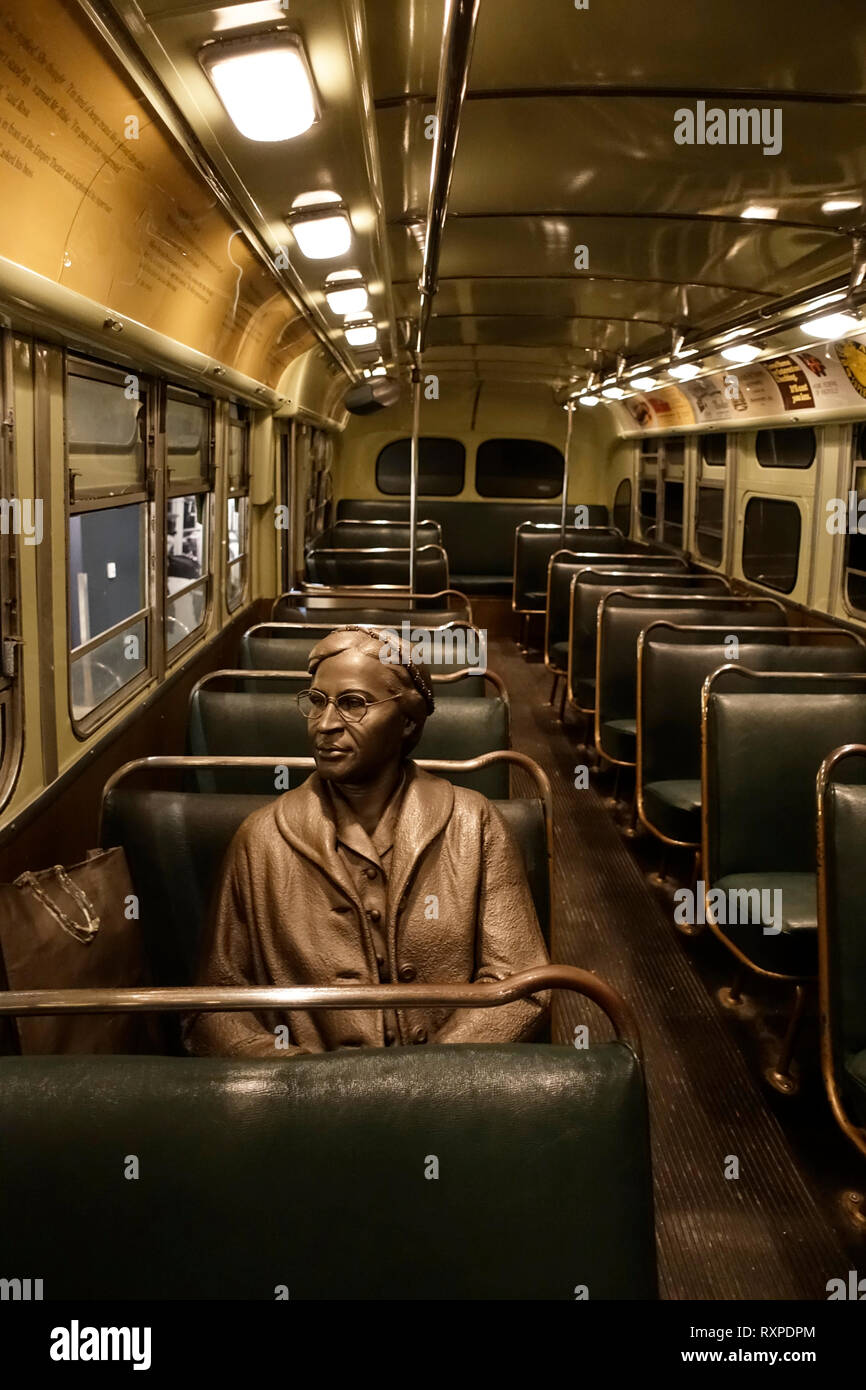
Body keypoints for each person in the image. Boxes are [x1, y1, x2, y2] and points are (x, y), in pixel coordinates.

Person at [183, 625, 550, 1057]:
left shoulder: (475, 823)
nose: (325, 724)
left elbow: (522, 985)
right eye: (316, 702)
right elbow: (213, 1009)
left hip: (447, 1096)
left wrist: (426, 1076)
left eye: (353, 704)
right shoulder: (260, 839)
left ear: (408, 722)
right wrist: (300, 1079)